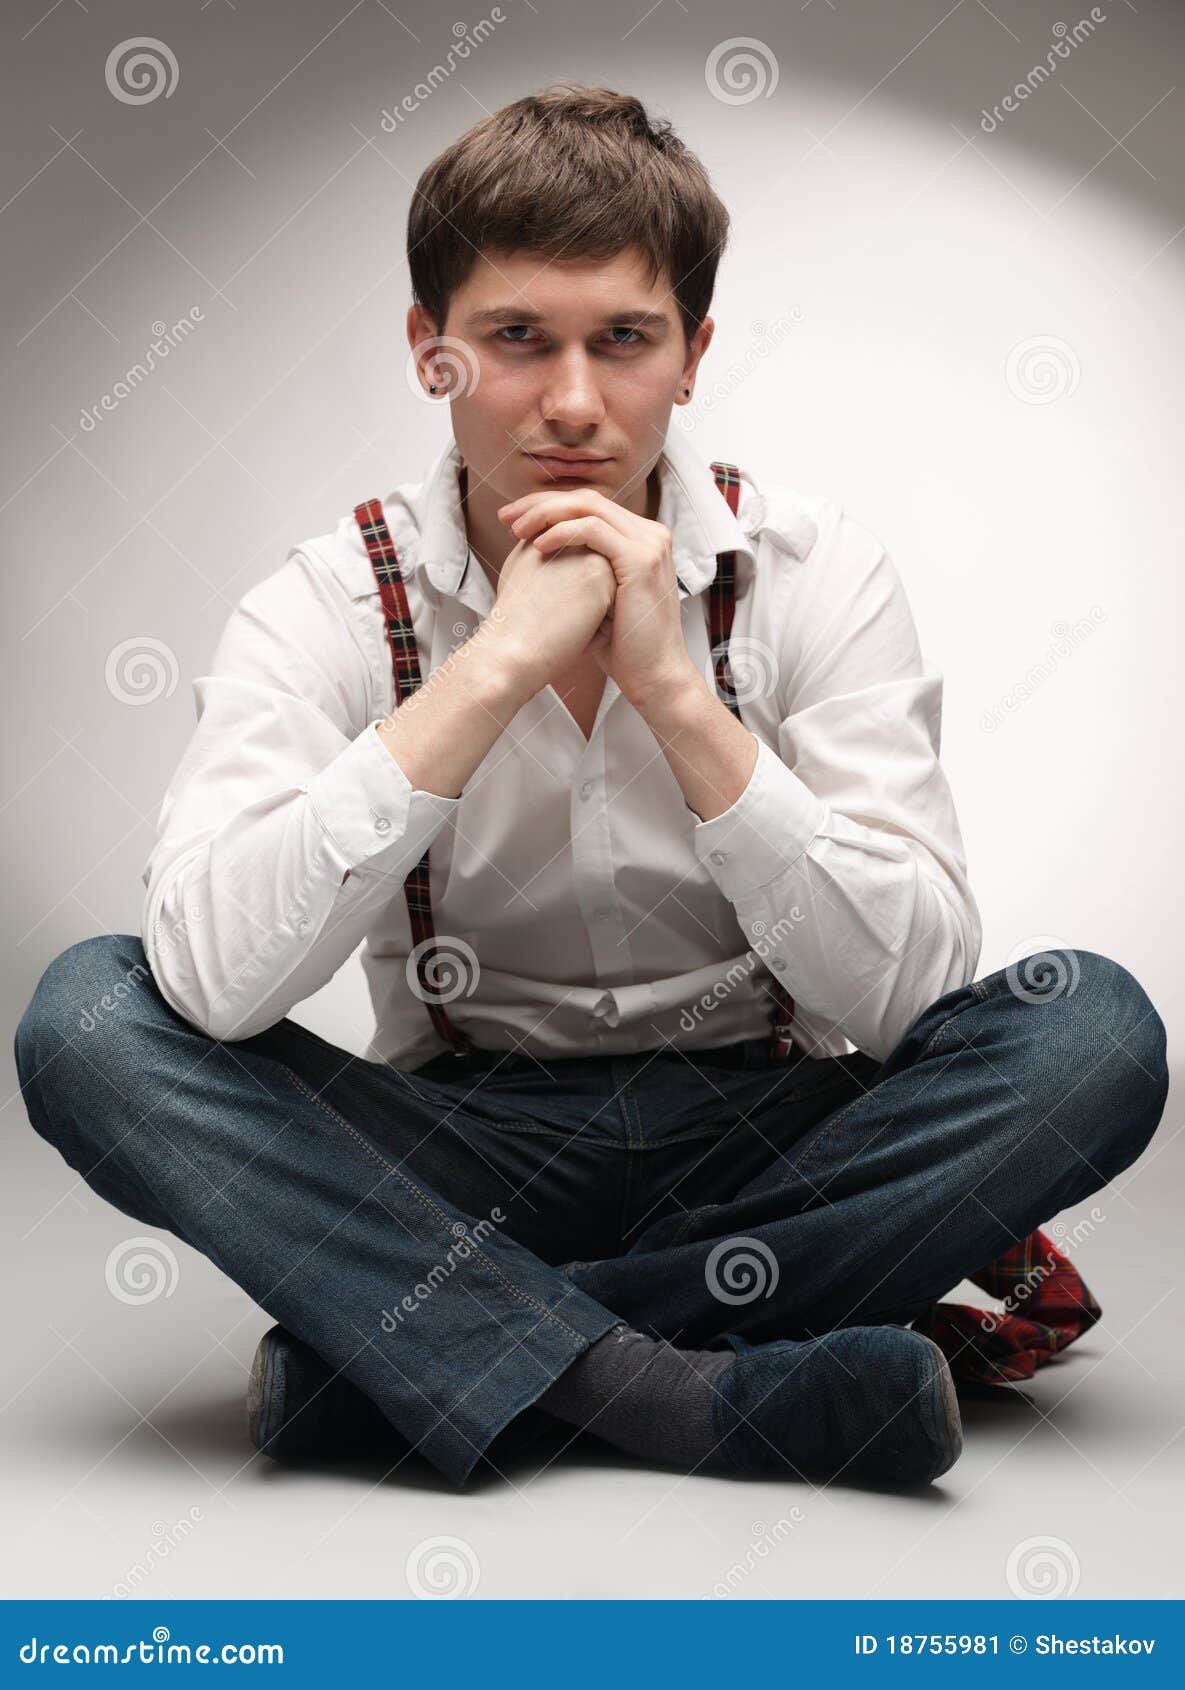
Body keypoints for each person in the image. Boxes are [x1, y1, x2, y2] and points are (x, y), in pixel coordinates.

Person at [14, 84, 1168, 1492]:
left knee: (1089, 1033)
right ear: (429, 353)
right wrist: (486, 675)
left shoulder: (815, 575)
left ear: (691, 355)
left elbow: (915, 992)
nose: (571, 401)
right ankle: (681, 1392)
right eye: (514, 339)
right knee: (87, 1017)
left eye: (622, 339)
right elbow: (204, 978)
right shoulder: (324, 603)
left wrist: (679, 701)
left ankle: (430, 1360)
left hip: (768, 1139)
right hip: (456, 1157)